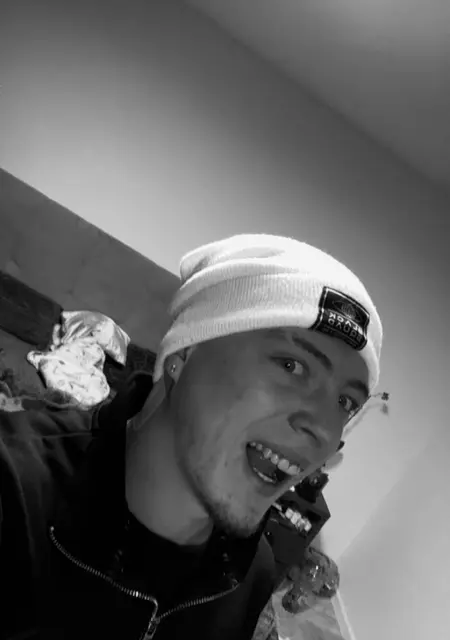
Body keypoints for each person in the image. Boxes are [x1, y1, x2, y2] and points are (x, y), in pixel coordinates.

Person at [0, 234, 383, 640]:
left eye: (345, 402)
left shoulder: (250, 574)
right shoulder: (15, 489)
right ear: (184, 353)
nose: (323, 430)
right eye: (291, 365)